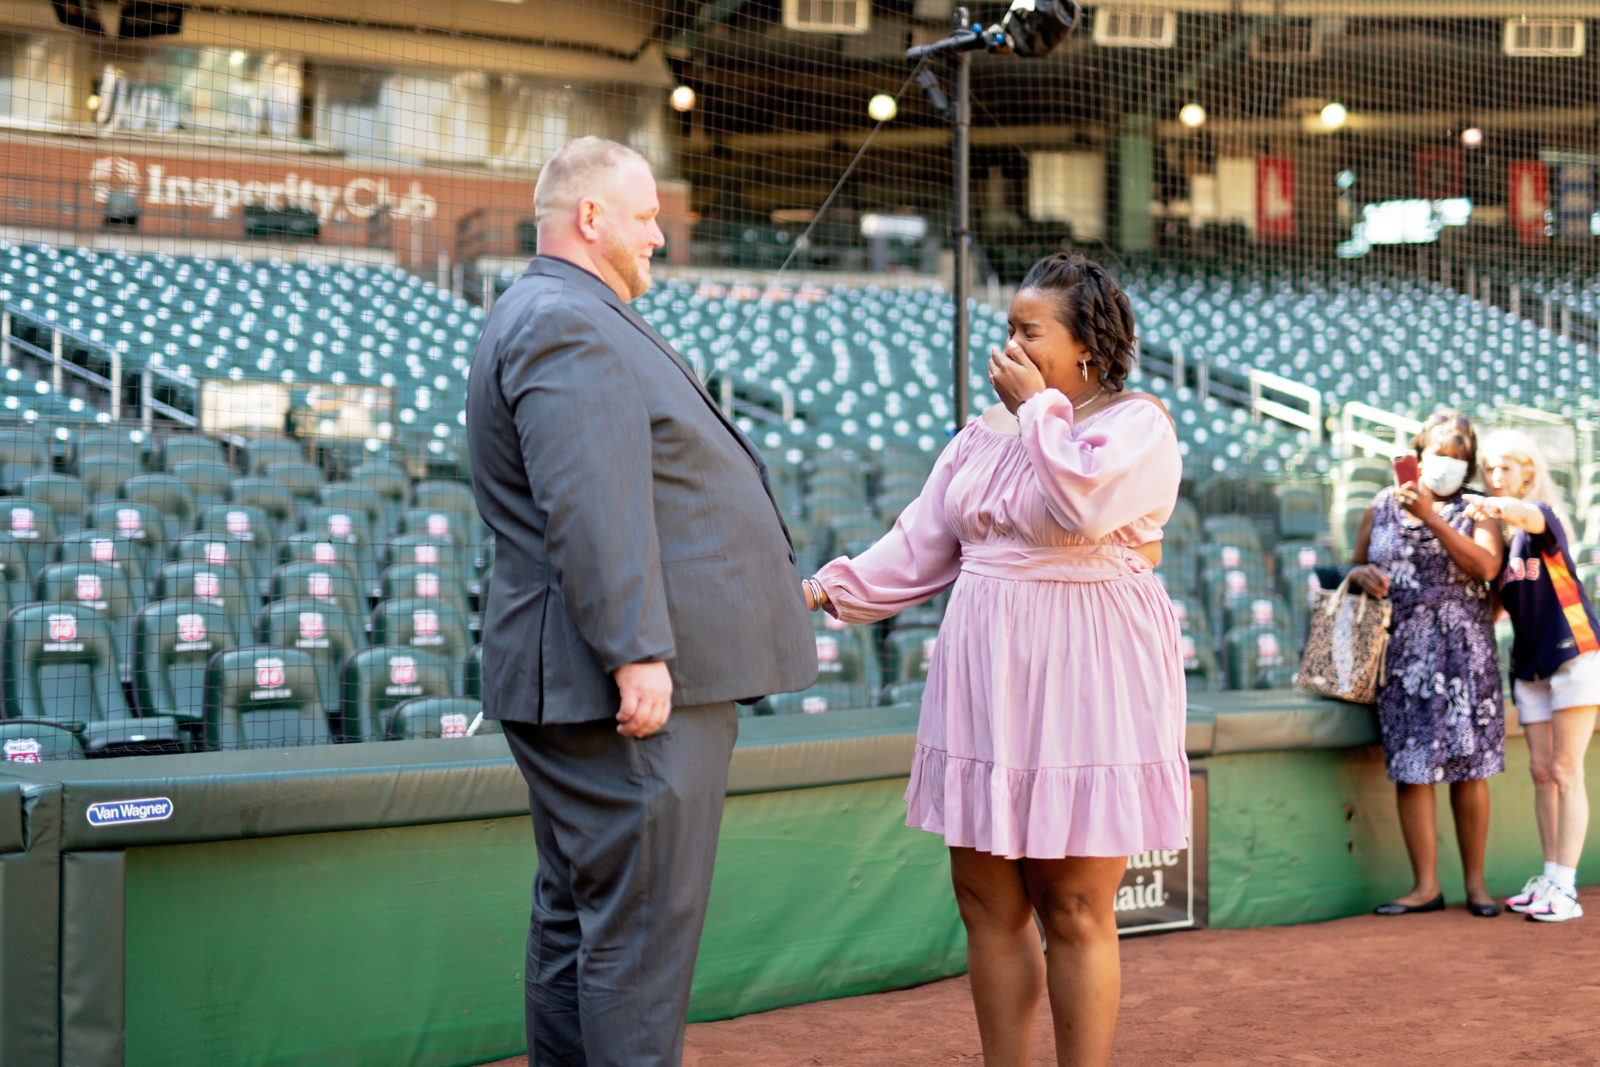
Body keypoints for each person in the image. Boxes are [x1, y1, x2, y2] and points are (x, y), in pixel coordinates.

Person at [465, 136, 817, 1065]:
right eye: (647, 216)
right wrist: (633, 649)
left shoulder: (556, 309)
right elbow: (589, 498)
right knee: (637, 937)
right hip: (619, 684)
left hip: (594, 675)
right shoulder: (562, 318)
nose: (660, 235)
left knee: (587, 919)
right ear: (591, 218)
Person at [803, 252, 1189, 1066]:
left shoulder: (1136, 424)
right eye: (1006, 327)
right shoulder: (982, 435)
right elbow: (918, 544)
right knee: (985, 899)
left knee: (1076, 904)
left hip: (1086, 670)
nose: (1007, 344)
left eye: (1028, 330)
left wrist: (1040, 410)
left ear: (1087, 345)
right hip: (985, 671)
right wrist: (821, 591)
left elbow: (1080, 500)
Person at [1347, 411, 1506, 918]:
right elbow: (1350, 566)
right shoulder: (1378, 507)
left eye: (1459, 458)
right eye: (1440, 453)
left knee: (1469, 769)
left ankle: (1477, 886)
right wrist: (1361, 574)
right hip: (1404, 653)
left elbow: (1486, 567)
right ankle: (1425, 887)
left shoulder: (1478, 510)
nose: (1448, 465)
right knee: (1413, 771)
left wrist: (1434, 516)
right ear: (1417, 453)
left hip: (1465, 651)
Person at [1468, 430, 1597, 922]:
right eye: (1490, 468)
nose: (1496, 476)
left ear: (1528, 470)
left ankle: (1566, 887)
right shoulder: (1504, 543)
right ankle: (1550, 876)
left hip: (1574, 657)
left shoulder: (1541, 516)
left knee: (1566, 771)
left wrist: (1494, 505)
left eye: (1506, 467)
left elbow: (1525, 514)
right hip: (1531, 667)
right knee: (1541, 772)